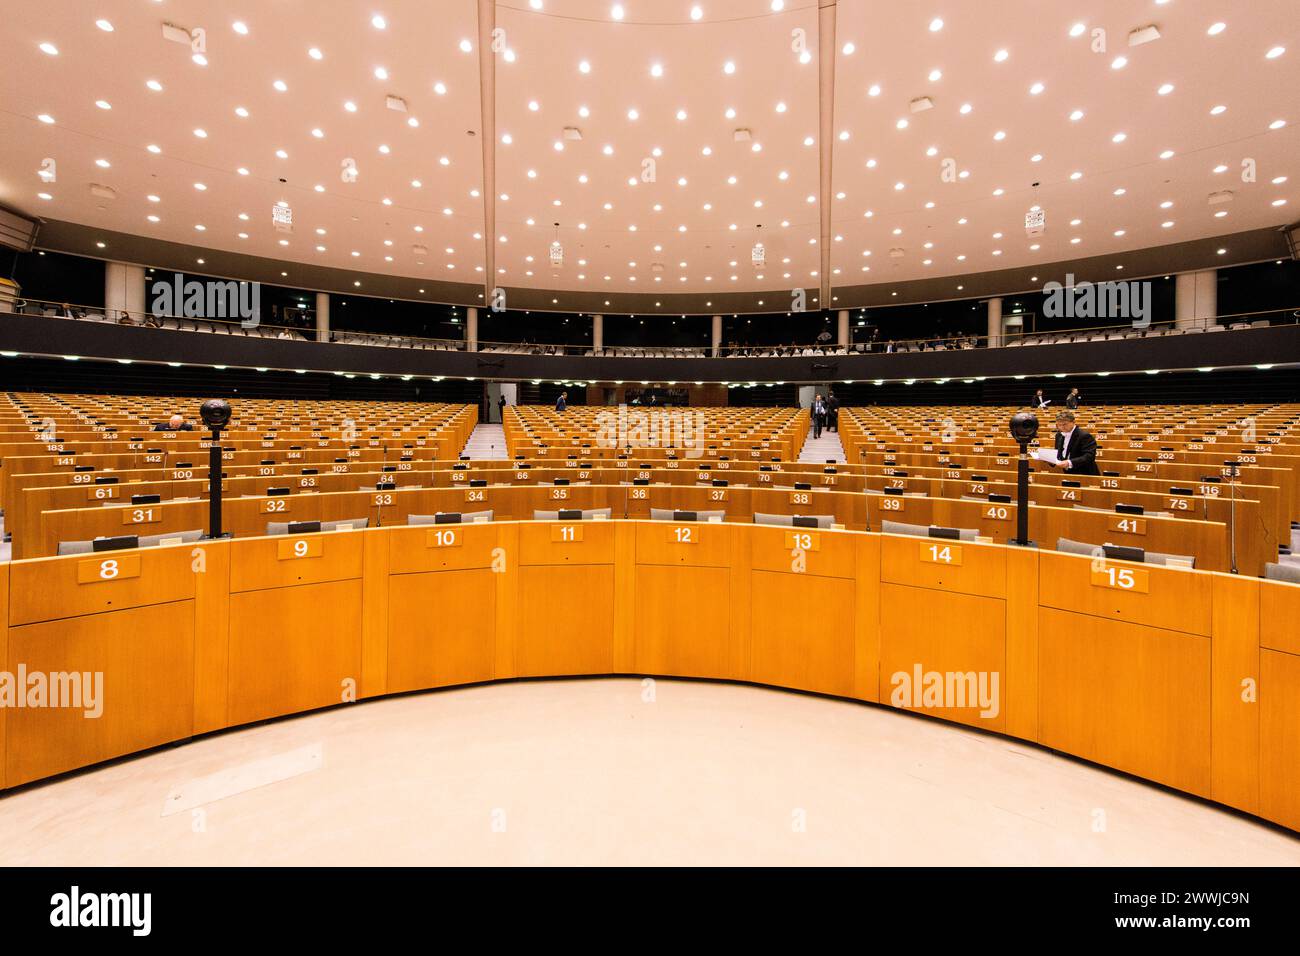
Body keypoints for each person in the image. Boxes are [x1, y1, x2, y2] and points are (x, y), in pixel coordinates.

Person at [1048, 410, 1099, 475]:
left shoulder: (1085, 436)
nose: (1062, 427)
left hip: (1085, 473)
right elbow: (1059, 453)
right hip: (1068, 474)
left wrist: (1069, 462)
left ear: (1073, 422)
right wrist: (1052, 460)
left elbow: (1089, 456)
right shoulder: (1059, 435)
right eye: (1059, 425)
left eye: (1064, 424)